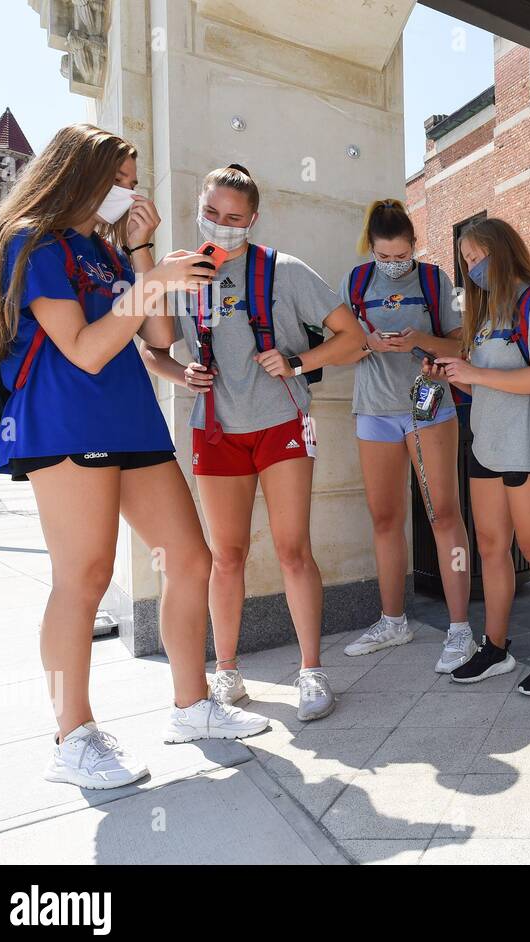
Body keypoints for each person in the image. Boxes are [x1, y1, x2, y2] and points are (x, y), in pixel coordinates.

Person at [0, 124, 268, 789]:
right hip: (67, 423)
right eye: (121, 179)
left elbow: (157, 334)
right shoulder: (31, 243)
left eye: (132, 180)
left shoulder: (101, 248)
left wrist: (141, 252)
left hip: (132, 419)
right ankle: (72, 737)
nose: (130, 190)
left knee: (191, 557)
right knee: (85, 576)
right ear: (81, 175)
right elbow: (87, 348)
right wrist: (153, 276)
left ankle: (191, 706)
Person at [140, 165, 365, 721]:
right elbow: (154, 349)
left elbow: (352, 337)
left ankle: (312, 671)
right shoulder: (179, 274)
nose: (220, 226)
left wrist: (298, 361)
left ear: (253, 220)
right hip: (215, 427)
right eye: (212, 213)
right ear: (199, 209)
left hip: (282, 422)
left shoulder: (283, 271)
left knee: (293, 550)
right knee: (227, 555)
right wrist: (180, 374)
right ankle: (228, 673)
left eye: (234, 218)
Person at [423, 217, 530, 696]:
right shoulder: (486, 314)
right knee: (490, 547)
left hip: (529, 447)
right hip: (486, 445)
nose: (472, 268)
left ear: (502, 251)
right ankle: (495, 647)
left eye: (477, 257)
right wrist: (453, 373)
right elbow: (480, 384)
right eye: (466, 261)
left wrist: (475, 372)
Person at [337, 200, 474, 672]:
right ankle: (393, 620)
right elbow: (338, 350)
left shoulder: (437, 281)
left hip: (429, 409)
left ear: (414, 245)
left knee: (443, 516)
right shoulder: (355, 282)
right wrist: (367, 343)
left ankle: (460, 630)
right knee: (384, 520)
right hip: (373, 412)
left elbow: (461, 347)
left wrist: (421, 341)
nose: (392, 264)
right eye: (384, 255)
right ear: (370, 248)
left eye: (400, 255)